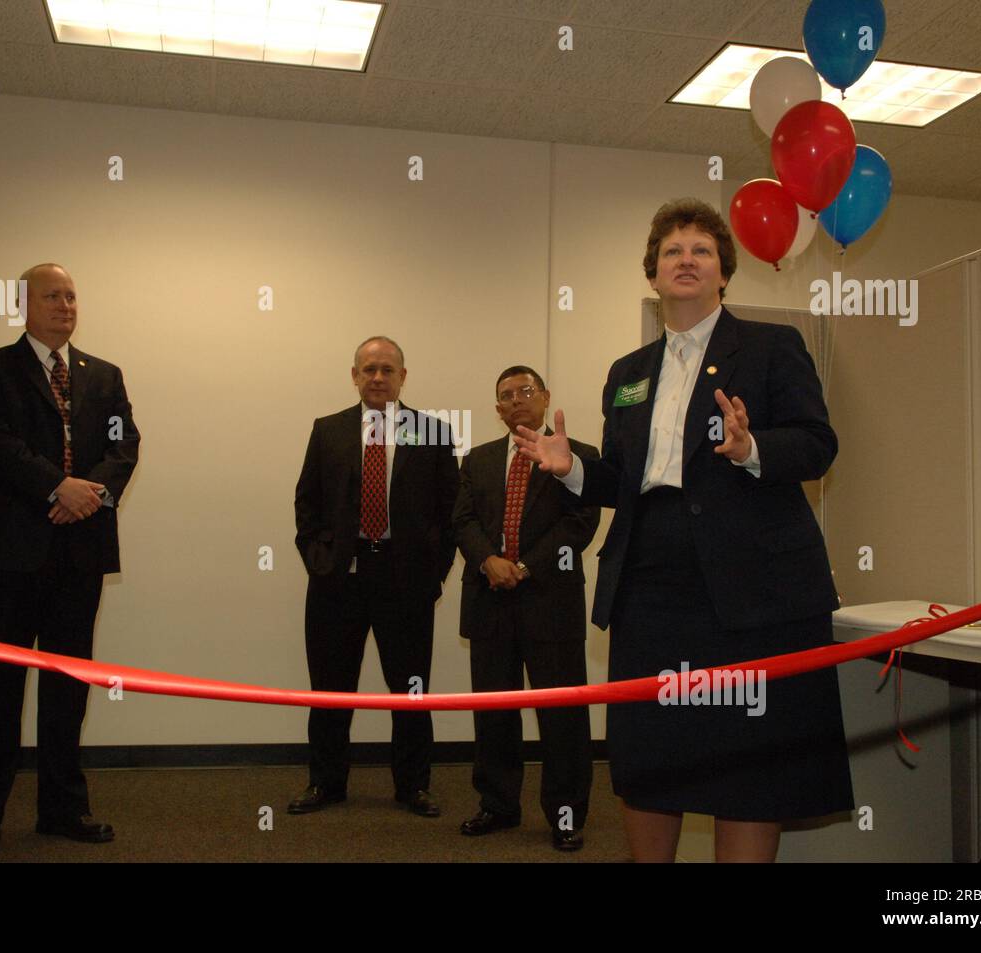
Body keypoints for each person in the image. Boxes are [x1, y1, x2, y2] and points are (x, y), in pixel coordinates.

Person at [514, 199, 853, 862]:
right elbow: (623, 477)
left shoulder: (771, 347)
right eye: (672, 251)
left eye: (701, 249)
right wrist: (573, 469)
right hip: (652, 589)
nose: (687, 259)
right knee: (651, 759)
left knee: (748, 768)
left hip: (753, 591)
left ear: (724, 272)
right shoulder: (628, 372)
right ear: (655, 275)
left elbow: (817, 445)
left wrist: (753, 448)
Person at [0, 263, 140, 860]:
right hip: (12, 554)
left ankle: (63, 810)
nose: (66, 304)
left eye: (71, 295)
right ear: (24, 304)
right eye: (52, 295)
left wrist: (86, 493)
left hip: (79, 553)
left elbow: (124, 445)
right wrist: (58, 486)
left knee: (67, 689)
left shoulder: (103, 375)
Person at [290, 336, 459, 817]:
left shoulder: (432, 431)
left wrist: (434, 574)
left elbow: (450, 511)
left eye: (387, 369)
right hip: (337, 578)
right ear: (354, 375)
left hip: (405, 580)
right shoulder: (328, 430)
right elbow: (306, 503)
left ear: (403, 376)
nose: (378, 377)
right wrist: (321, 561)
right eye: (369, 369)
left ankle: (413, 787)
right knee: (329, 688)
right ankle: (325, 784)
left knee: (410, 690)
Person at [453, 365, 600, 851]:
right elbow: (464, 520)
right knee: (494, 712)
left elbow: (579, 525)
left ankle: (565, 815)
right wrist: (489, 561)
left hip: (550, 602)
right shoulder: (477, 459)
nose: (516, 400)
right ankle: (497, 805)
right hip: (488, 599)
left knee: (562, 717)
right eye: (506, 395)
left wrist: (524, 567)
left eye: (525, 391)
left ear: (545, 398)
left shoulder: (578, 456)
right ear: (497, 409)